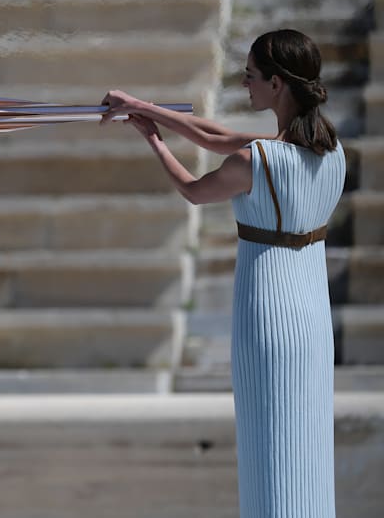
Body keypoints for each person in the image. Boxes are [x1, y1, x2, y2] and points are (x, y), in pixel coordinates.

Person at [101, 29, 344, 517]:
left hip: (269, 316)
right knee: (306, 449)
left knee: (269, 448)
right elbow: (213, 135)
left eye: (251, 76)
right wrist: (145, 107)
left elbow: (194, 189)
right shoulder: (329, 151)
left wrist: (152, 139)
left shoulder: (257, 160)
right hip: (312, 316)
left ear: (277, 84)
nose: (244, 83)